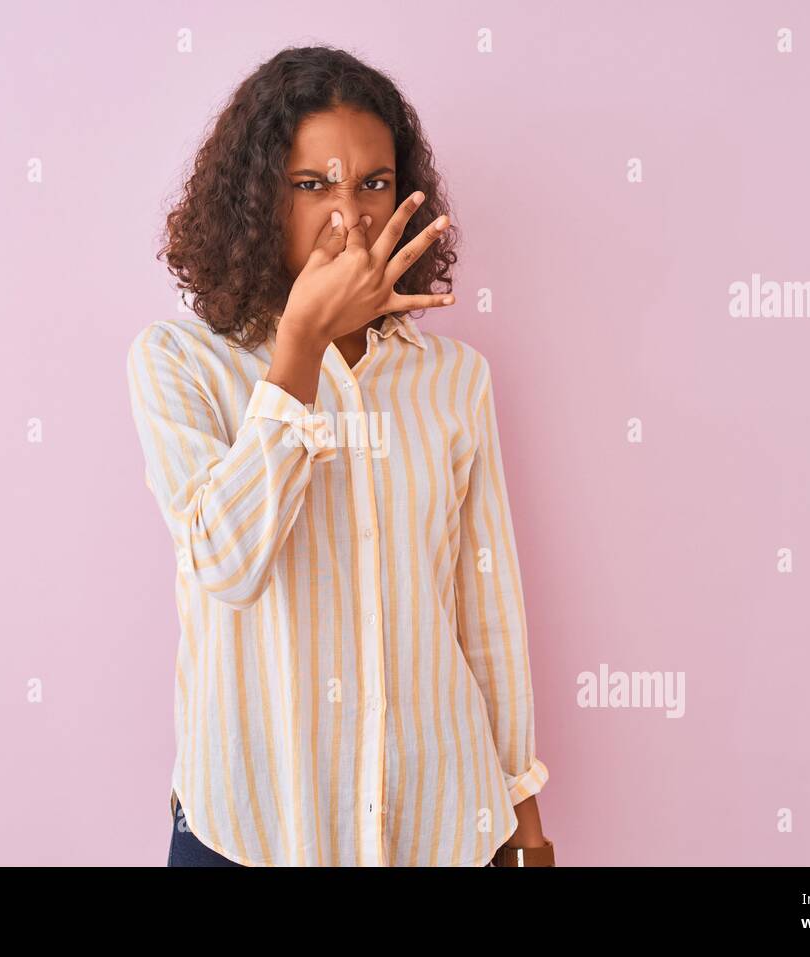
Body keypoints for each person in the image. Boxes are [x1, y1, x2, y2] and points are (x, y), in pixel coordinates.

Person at [127, 45, 553, 867]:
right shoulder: (179, 363)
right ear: (259, 196)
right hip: (250, 830)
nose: (348, 216)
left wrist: (526, 832)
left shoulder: (454, 381)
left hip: (437, 828)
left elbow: (486, 615)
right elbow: (227, 561)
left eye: (374, 183)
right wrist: (298, 344)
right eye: (311, 184)